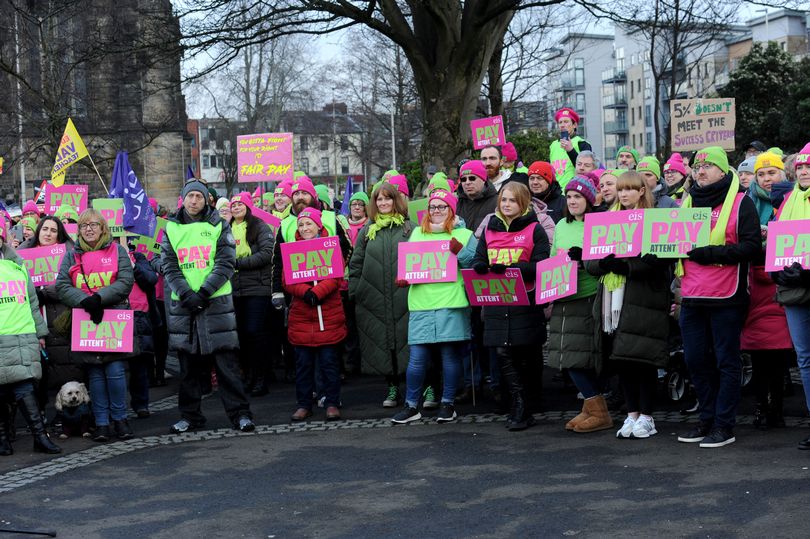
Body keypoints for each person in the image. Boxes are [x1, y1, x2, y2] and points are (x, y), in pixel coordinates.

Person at [675, 146, 760, 448]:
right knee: (696, 360)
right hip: (693, 294)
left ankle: (724, 425)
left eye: (708, 165)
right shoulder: (686, 203)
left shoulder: (741, 203)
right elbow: (673, 244)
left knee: (726, 361)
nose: (701, 170)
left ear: (724, 171)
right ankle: (706, 419)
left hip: (727, 295)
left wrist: (713, 254)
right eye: (697, 166)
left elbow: (752, 248)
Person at [161, 180, 255, 434]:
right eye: (190, 196)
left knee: (227, 366)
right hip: (185, 307)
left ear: (207, 200)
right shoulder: (171, 228)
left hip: (216, 306)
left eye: (199, 197)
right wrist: (186, 292)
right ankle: (190, 416)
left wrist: (203, 292)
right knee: (188, 369)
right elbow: (168, 265)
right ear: (183, 199)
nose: (194, 201)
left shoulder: (219, 224)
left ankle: (240, 414)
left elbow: (226, 261)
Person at [585, 172, 671, 439]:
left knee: (641, 359)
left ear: (642, 192)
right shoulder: (607, 220)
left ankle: (646, 416)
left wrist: (628, 266)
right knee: (622, 360)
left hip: (643, 299)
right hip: (612, 298)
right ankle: (631, 414)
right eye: (620, 190)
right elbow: (591, 259)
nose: (623, 195)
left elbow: (660, 260)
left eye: (629, 190)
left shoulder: (654, 220)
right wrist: (605, 263)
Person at [391, 190, 475, 424]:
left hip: (452, 302)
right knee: (417, 358)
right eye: (433, 207)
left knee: (449, 356)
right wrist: (404, 278)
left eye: (442, 207)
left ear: (451, 210)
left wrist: (461, 250)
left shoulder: (465, 234)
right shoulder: (418, 233)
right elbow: (409, 265)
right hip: (421, 303)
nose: (436, 211)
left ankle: (447, 404)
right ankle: (411, 406)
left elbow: (476, 263)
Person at [472, 182, 550, 430]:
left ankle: (524, 404)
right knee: (502, 354)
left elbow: (540, 265)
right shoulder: (489, 229)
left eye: (512, 200)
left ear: (523, 203)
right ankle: (518, 402)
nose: (506, 204)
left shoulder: (535, 229)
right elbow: (478, 258)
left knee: (523, 355)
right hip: (496, 301)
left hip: (524, 301)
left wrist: (511, 269)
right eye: (503, 200)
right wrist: (480, 268)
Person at [55, 209, 136, 442]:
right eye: (83, 225)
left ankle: (120, 419)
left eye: (93, 224)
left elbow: (125, 280)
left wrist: (100, 298)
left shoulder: (117, 251)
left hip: (113, 317)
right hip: (86, 319)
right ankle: (101, 423)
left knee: (115, 371)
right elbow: (62, 285)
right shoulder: (71, 255)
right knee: (95, 374)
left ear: (103, 228)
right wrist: (86, 301)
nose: (88, 229)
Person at [547, 176, 607, 433]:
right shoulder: (561, 224)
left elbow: (605, 259)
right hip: (563, 297)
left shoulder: (598, 223)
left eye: (578, 197)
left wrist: (584, 259)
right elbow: (552, 260)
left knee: (579, 358)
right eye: (569, 196)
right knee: (567, 357)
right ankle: (592, 407)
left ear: (589, 200)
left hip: (587, 296)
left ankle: (599, 410)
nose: (572, 201)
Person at [741, 152, 794, 429]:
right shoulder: (747, 202)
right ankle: (762, 408)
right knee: (759, 353)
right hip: (755, 280)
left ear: (782, 174)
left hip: (781, 281)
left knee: (779, 354)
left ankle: (777, 408)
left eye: (771, 173)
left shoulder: (791, 199)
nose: (766, 179)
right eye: (761, 174)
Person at [0, 219, 61, 456]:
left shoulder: (17, 264)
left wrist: (40, 333)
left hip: (21, 333)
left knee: (25, 387)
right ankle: (3, 439)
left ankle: (39, 436)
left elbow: (32, 301)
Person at [348, 182, 411, 407]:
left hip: (405, 298)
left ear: (396, 200)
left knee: (410, 344)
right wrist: (356, 292)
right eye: (379, 199)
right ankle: (392, 388)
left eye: (388, 198)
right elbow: (355, 264)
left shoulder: (409, 228)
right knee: (384, 345)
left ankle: (427, 387)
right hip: (374, 298)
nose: (383, 203)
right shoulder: (367, 231)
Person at [285, 208, 347, 421]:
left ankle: (331, 402)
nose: (304, 228)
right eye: (301, 225)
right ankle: (304, 404)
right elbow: (288, 279)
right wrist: (306, 292)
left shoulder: (331, 246)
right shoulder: (292, 249)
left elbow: (336, 275)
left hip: (327, 315)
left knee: (329, 364)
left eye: (309, 224)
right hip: (302, 317)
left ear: (319, 226)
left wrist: (318, 292)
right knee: (303, 366)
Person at [771, 142, 810, 449]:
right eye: (800, 167)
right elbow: (778, 242)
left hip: (803, 281)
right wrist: (777, 271)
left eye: (809, 167)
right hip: (795, 290)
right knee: (805, 359)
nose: (804, 171)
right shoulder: (788, 200)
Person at [17, 217, 76, 408]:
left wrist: (44, 293)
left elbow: (71, 284)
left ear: (59, 234)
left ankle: (66, 414)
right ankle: (41, 413)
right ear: (38, 231)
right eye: (44, 229)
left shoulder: (69, 254)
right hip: (33, 319)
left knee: (65, 368)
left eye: (53, 230)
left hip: (61, 317)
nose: (48, 234)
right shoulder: (22, 257)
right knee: (38, 371)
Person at [229, 192, 275, 396]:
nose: (236, 207)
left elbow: (266, 254)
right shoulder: (225, 229)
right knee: (241, 336)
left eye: (240, 204)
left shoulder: (260, 226)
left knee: (254, 332)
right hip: (234, 290)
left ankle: (261, 378)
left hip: (257, 288)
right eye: (234, 205)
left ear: (248, 207)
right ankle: (248, 376)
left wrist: (238, 263)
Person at [549, 108, 591, 187]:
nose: (562, 125)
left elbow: (587, 170)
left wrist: (571, 150)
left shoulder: (582, 143)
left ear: (574, 125)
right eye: (560, 122)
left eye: (566, 121)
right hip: (557, 193)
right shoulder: (553, 145)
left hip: (575, 190)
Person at [456, 160, 498, 236]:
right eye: (463, 179)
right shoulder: (455, 202)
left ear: (483, 180)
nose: (467, 182)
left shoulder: (497, 202)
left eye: (472, 178)